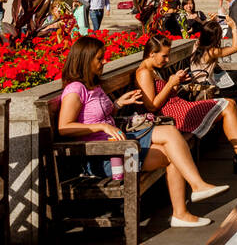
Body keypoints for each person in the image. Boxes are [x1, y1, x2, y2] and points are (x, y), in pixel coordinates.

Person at [58, 35, 226, 228]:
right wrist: (101, 126)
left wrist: (118, 103)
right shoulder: (75, 90)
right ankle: (190, 198)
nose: (104, 61)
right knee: (172, 147)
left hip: (121, 146)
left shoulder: (93, 85)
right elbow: (64, 127)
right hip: (104, 158)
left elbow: (95, 113)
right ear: (85, 60)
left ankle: (186, 204)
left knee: (172, 141)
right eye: (99, 58)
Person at [135, 36, 237, 173]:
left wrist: (175, 84)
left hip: (178, 107)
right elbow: (151, 106)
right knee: (228, 105)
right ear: (152, 53)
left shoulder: (153, 70)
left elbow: (162, 96)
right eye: (164, 56)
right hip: (173, 115)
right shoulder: (144, 73)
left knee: (230, 103)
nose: (167, 60)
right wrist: (170, 84)